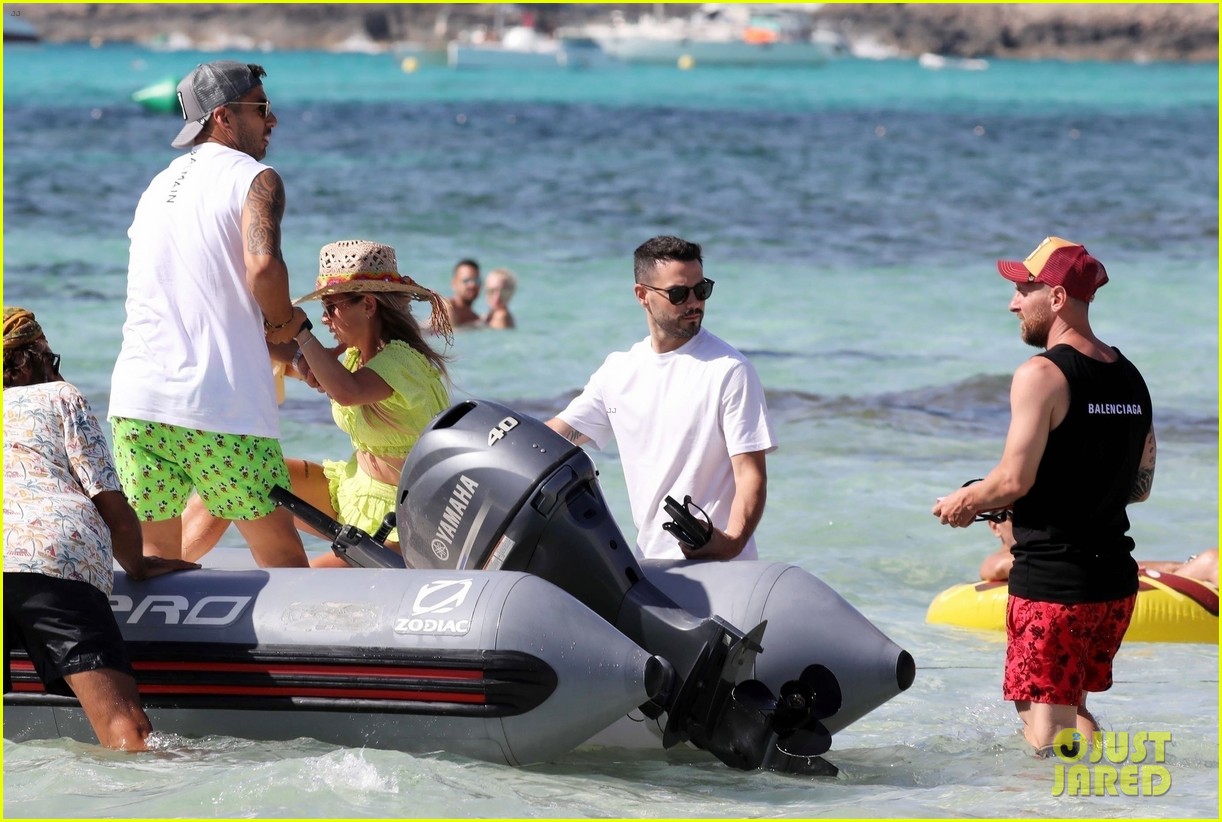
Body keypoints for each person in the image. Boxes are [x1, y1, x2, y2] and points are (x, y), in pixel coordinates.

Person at [932, 236, 1156, 757]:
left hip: (1055, 588)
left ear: (1056, 298)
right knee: (1067, 707)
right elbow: (1139, 488)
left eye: (1022, 289)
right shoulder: (1130, 376)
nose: (1013, 302)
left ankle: (1048, 807)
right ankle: (1103, 800)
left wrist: (965, 501)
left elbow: (1013, 480)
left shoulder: (1041, 372)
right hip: (1112, 586)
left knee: (1045, 732)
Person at [108, 60, 310, 568]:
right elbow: (263, 268)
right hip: (222, 409)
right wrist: (288, 326)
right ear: (223, 116)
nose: (273, 119)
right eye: (262, 108)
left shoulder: (156, 187)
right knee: (284, 562)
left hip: (139, 403)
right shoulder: (256, 178)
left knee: (156, 569)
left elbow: (195, 297)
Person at [183, 240, 453, 568]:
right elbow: (288, 354)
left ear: (368, 305)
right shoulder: (355, 357)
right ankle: (163, 565)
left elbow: (347, 391)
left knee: (311, 581)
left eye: (331, 308)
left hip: (404, 519)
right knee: (233, 470)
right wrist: (242, 317)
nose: (325, 319)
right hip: (354, 489)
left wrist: (303, 334)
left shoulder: (401, 361)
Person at [3, 308, 199, 751]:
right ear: (31, 357)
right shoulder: (59, 396)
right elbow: (108, 497)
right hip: (51, 557)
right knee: (125, 728)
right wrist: (138, 565)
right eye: (51, 358)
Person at [546, 235, 776, 561]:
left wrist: (732, 542)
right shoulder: (618, 371)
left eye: (702, 289)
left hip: (725, 568)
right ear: (642, 295)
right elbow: (556, 436)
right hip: (651, 569)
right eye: (679, 294)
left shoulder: (730, 370)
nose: (694, 302)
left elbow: (750, 473)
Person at [980, 518, 1217, 588]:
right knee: (1213, 561)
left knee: (1211, 559)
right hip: (1110, 590)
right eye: (1015, 515)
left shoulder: (1057, 551)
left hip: (1121, 580)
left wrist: (1173, 567)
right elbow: (995, 568)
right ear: (994, 526)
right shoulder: (1000, 560)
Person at [444, 258, 483, 327]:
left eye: (476, 280)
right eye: (466, 280)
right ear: (454, 283)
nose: (472, 285)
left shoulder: (476, 319)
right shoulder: (446, 305)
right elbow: (451, 333)